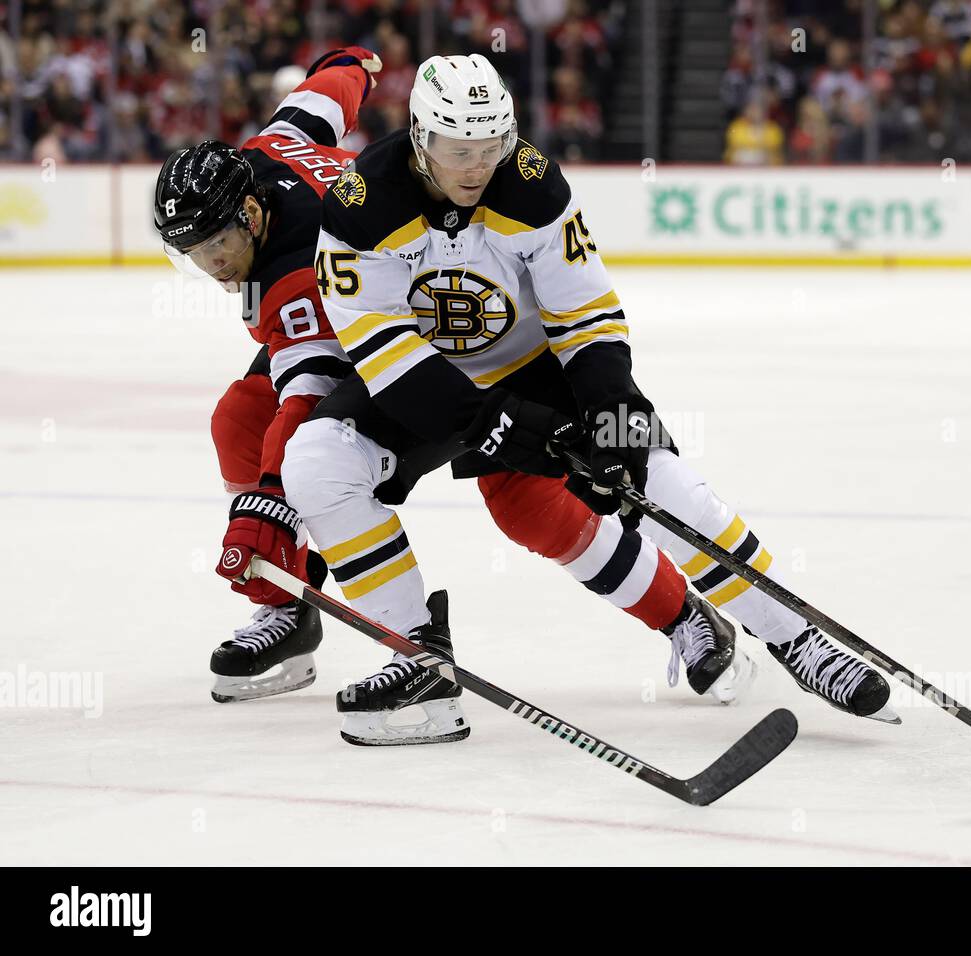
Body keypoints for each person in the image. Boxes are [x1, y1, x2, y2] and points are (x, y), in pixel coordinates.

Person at [242, 53, 900, 746]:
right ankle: (417, 656)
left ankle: (797, 639)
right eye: (458, 150)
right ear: (419, 138)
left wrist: (614, 406)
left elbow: (585, 315)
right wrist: (493, 427)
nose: (476, 166)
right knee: (316, 460)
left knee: (652, 474)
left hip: (537, 365)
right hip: (423, 379)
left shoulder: (530, 184)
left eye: (490, 146)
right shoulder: (359, 204)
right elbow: (388, 355)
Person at [153, 46, 381, 703]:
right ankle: (287, 607)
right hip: (354, 308)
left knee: (309, 448)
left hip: (420, 326)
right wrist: (352, 63)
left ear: (251, 217)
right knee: (239, 416)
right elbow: (327, 93)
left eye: (217, 244)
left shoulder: (289, 276)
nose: (211, 264)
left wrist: (268, 500)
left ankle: (392, 614)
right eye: (191, 254)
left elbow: (306, 396)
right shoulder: (269, 149)